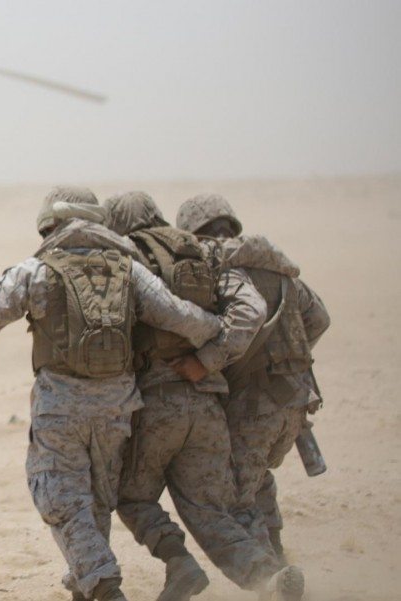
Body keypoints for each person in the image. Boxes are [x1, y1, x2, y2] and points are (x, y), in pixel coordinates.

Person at [0, 187, 223, 601]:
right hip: (118, 405)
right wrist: (219, 335)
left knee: (59, 496)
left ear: (50, 224)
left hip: (61, 406)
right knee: (99, 499)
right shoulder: (127, 267)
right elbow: (180, 317)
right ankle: (87, 587)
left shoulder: (38, 268)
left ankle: (103, 586)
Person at [104, 191, 292, 600]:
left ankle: (179, 564)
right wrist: (208, 360)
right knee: (210, 508)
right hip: (207, 404)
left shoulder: (126, 262)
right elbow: (250, 311)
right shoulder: (198, 254)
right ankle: (270, 577)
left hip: (157, 405)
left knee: (131, 497)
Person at [176, 194, 331, 600]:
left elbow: (249, 315)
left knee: (235, 496)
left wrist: (209, 360)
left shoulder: (223, 268)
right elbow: (319, 317)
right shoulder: (278, 269)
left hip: (254, 404)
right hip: (296, 400)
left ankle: (271, 577)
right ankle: (279, 554)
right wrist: (287, 357)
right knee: (259, 479)